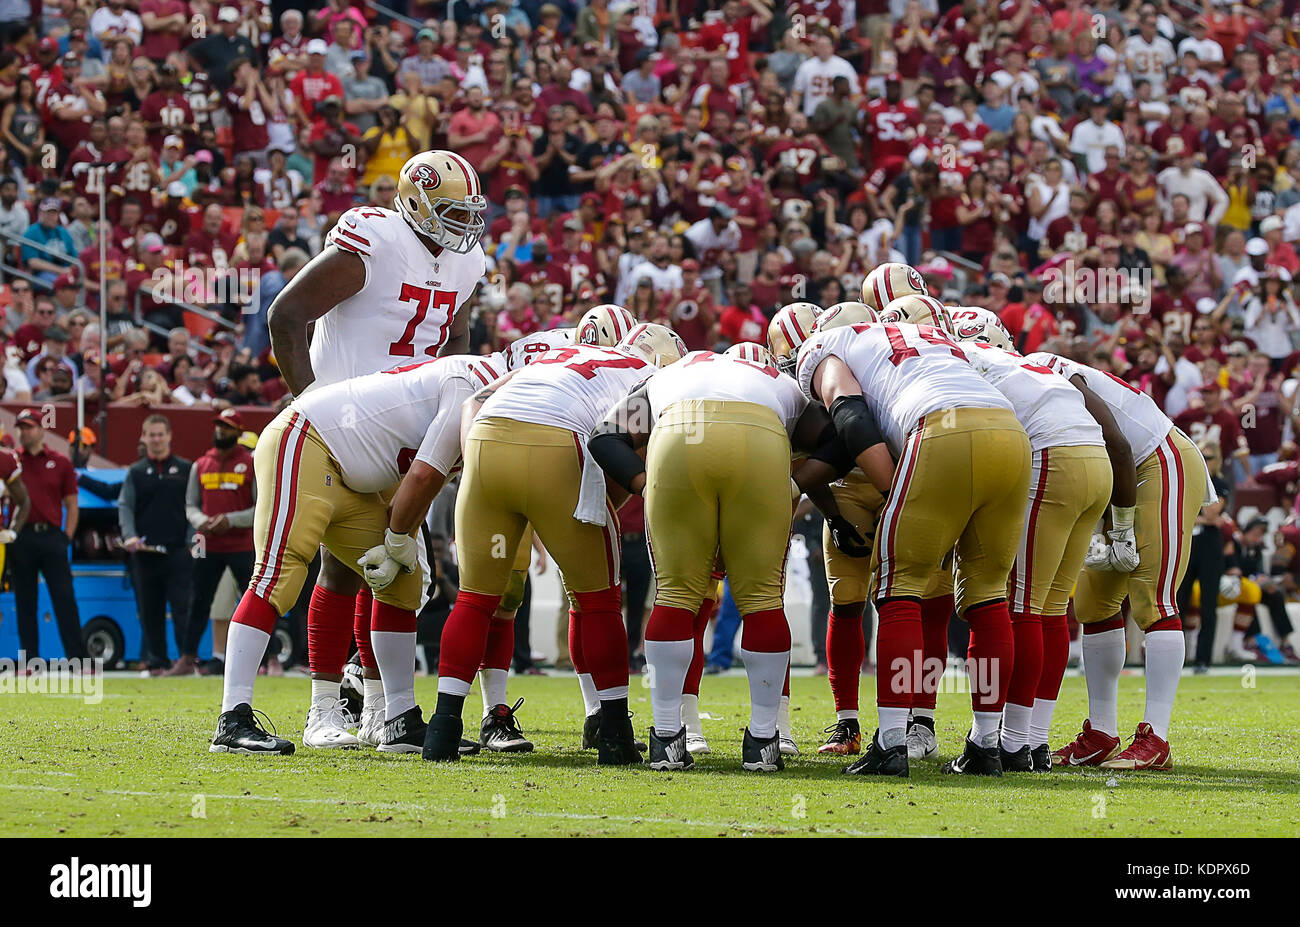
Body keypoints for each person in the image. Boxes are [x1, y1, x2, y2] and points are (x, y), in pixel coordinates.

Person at [262, 149, 487, 754]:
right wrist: (314, 405)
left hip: (406, 429)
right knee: (339, 565)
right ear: (413, 203)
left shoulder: (466, 264)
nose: (464, 226)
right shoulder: (376, 238)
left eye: (469, 213)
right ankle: (324, 709)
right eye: (450, 212)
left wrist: (443, 408)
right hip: (344, 423)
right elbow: (285, 316)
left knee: (397, 569)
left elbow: (460, 337)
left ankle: (383, 713)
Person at [209, 352, 506, 756]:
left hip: (361, 477)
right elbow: (422, 475)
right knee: (279, 574)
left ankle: (398, 718)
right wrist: (399, 539)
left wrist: (398, 542)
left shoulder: (488, 399)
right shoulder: (466, 389)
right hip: (308, 439)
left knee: (403, 580)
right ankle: (234, 719)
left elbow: (413, 483)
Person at [423, 324, 686, 765]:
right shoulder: (648, 375)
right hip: (554, 444)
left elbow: (479, 400)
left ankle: (443, 728)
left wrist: (476, 465)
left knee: (473, 600)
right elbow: (627, 450)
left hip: (486, 441)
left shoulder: (554, 357)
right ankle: (615, 733)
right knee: (599, 599)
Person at [170, 408, 257, 676]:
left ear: (238, 433)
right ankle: (187, 658)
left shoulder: (250, 464)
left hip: (242, 544)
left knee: (256, 600)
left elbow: (261, 507)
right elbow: (190, 505)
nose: (221, 430)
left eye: (228, 426)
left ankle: (269, 658)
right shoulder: (201, 464)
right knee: (199, 601)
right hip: (208, 543)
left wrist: (231, 520)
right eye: (219, 425)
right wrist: (200, 521)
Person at [119, 414, 193, 674]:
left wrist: (192, 541)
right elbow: (125, 506)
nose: (157, 439)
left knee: (184, 608)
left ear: (169, 435)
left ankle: (187, 661)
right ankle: (156, 662)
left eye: (161, 434)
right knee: (150, 611)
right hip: (145, 554)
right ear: (144, 437)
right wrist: (129, 535)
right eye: (151, 434)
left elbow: (194, 506)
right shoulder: (135, 472)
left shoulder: (186, 469)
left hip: (178, 552)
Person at [11, 409, 84, 662]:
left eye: (29, 427)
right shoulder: (13, 461)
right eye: (21, 428)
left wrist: (67, 536)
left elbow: (72, 504)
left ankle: (78, 659)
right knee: (24, 601)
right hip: (21, 537)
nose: (24, 432)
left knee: (65, 598)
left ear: (42, 430)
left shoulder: (61, 462)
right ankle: (30, 660)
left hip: (52, 536)